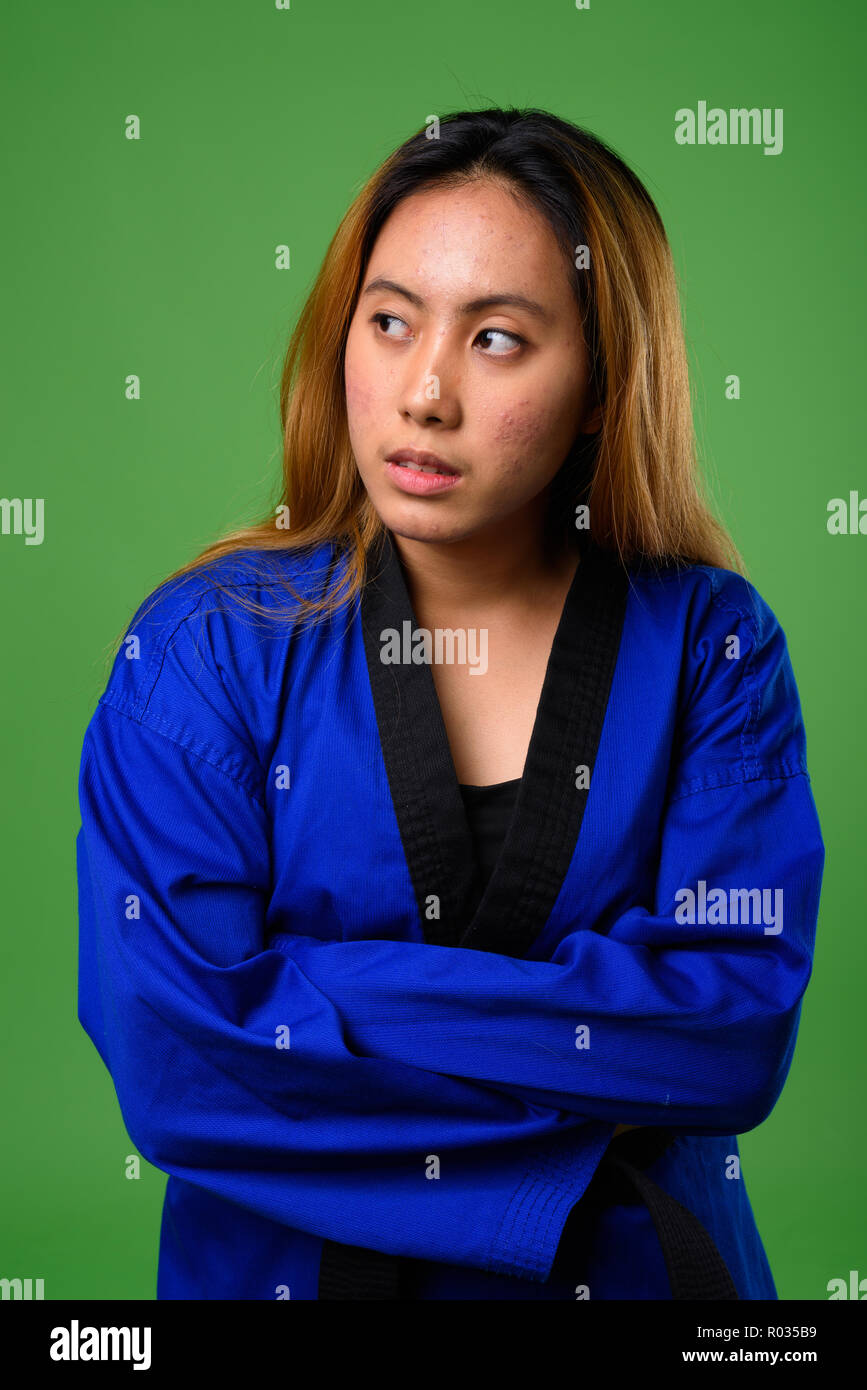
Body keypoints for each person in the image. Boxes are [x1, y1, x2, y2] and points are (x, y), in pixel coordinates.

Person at [76, 107, 825, 1300]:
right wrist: (585, 1074)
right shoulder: (204, 649)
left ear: (599, 382)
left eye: (498, 339)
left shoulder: (710, 648)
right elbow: (177, 1063)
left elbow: (728, 1034)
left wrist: (317, 987)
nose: (424, 393)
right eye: (389, 321)